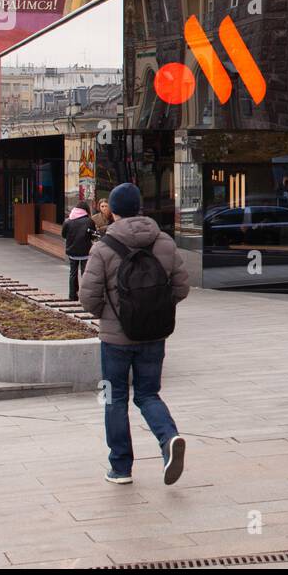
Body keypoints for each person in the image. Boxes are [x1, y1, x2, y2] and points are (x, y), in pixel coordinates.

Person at [78, 183, 191, 486]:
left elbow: (87, 296)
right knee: (147, 394)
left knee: (115, 398)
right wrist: (153, 310)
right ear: (140, 207)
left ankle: (121, 468)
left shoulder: (103, 247)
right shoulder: (164, 242)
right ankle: (168, 439)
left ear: (112, 210)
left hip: (116, 340)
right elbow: (182, 287)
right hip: (154, 335)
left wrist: (111, 314)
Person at [62, 200, 97, 301]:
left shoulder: (67, 221)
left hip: (72, 251)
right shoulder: (89, 221)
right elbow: (93, 235)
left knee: (73, 273)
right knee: (85, 273)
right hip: (85, 251)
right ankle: (85, 297)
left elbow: (64, 235)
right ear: (86, 210)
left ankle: (72, 295)